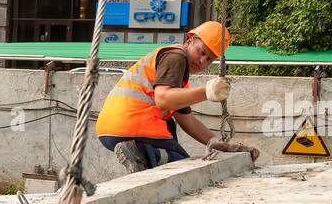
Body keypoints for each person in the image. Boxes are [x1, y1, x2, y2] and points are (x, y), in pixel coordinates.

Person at [95, 21, 233, 172]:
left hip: (109, 130)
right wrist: (207, 91)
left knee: (173, 142)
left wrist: (221, 145)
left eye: (208, 59)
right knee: (181, 167)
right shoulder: (176, 56)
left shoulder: (175, 74)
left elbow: (187, 120)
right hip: (135, 128)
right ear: (190, 40)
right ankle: (147, 154)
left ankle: (144, 154)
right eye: (201, 52)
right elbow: (163, 99)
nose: (202, 61)